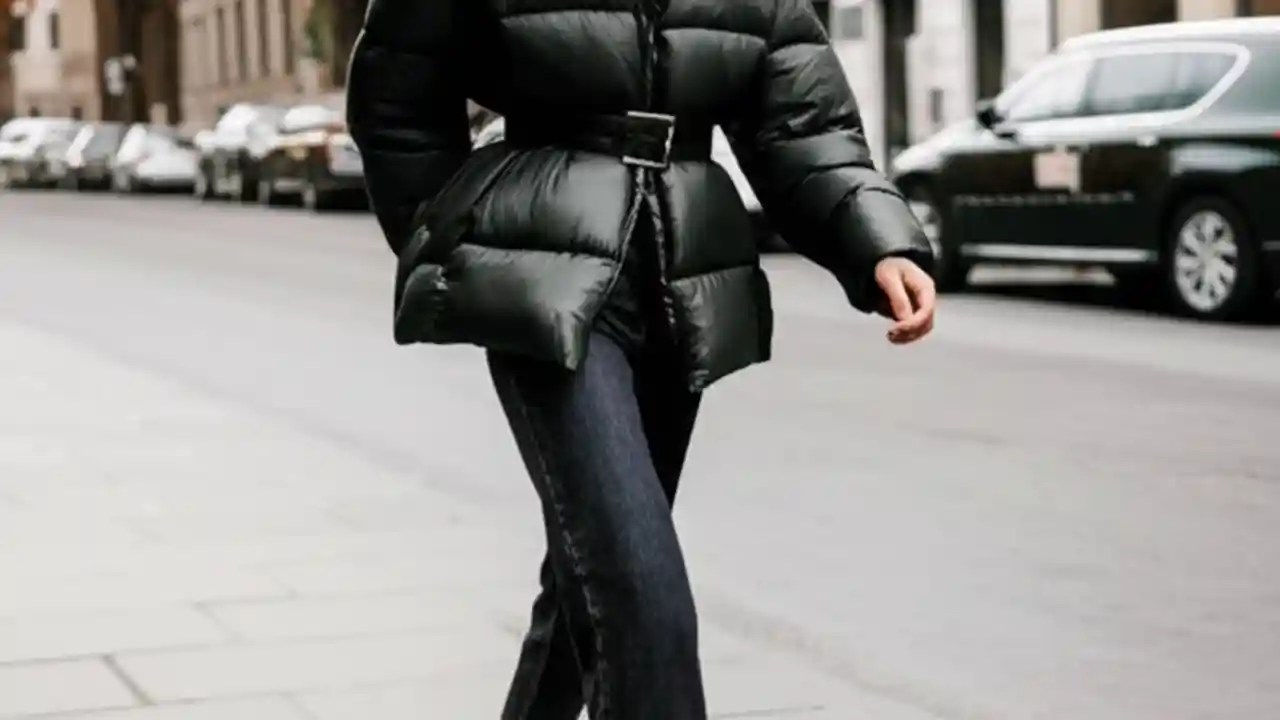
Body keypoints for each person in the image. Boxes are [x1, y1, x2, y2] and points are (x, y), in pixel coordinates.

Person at [347, 0, 936, 717]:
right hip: (545, 277)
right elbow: (398, 96)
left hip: (680, 276)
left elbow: (803, 123)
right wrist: (457, 238)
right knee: (640, 601)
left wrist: (877, 240)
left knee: (587, 587)